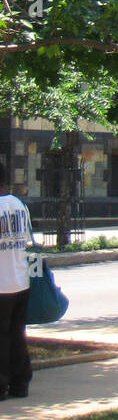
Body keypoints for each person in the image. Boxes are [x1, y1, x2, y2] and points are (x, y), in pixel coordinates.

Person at [0, 160, 32, 400]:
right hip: (21, 281)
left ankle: (1, 385)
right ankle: (20, 383)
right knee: (17, 333)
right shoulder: (19, 205)